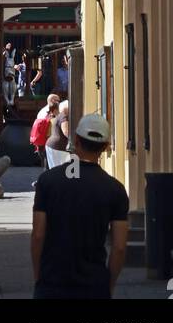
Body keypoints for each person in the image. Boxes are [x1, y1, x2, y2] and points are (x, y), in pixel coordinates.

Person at [31, 113, 129, 300]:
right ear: (106, 147)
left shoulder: (48, 181)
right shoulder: (115, 189)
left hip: (53, 282)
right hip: (94, 285)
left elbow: (38, 234)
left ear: (76, 140)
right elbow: (119, 247)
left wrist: (39, 277)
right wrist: (108, 285)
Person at [45, 100, 70, 169]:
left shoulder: (60, 115)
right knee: (59, 171)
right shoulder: (64, 116)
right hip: (58, 148)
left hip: (53, 146)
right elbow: (66, 131)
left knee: (54, 170)